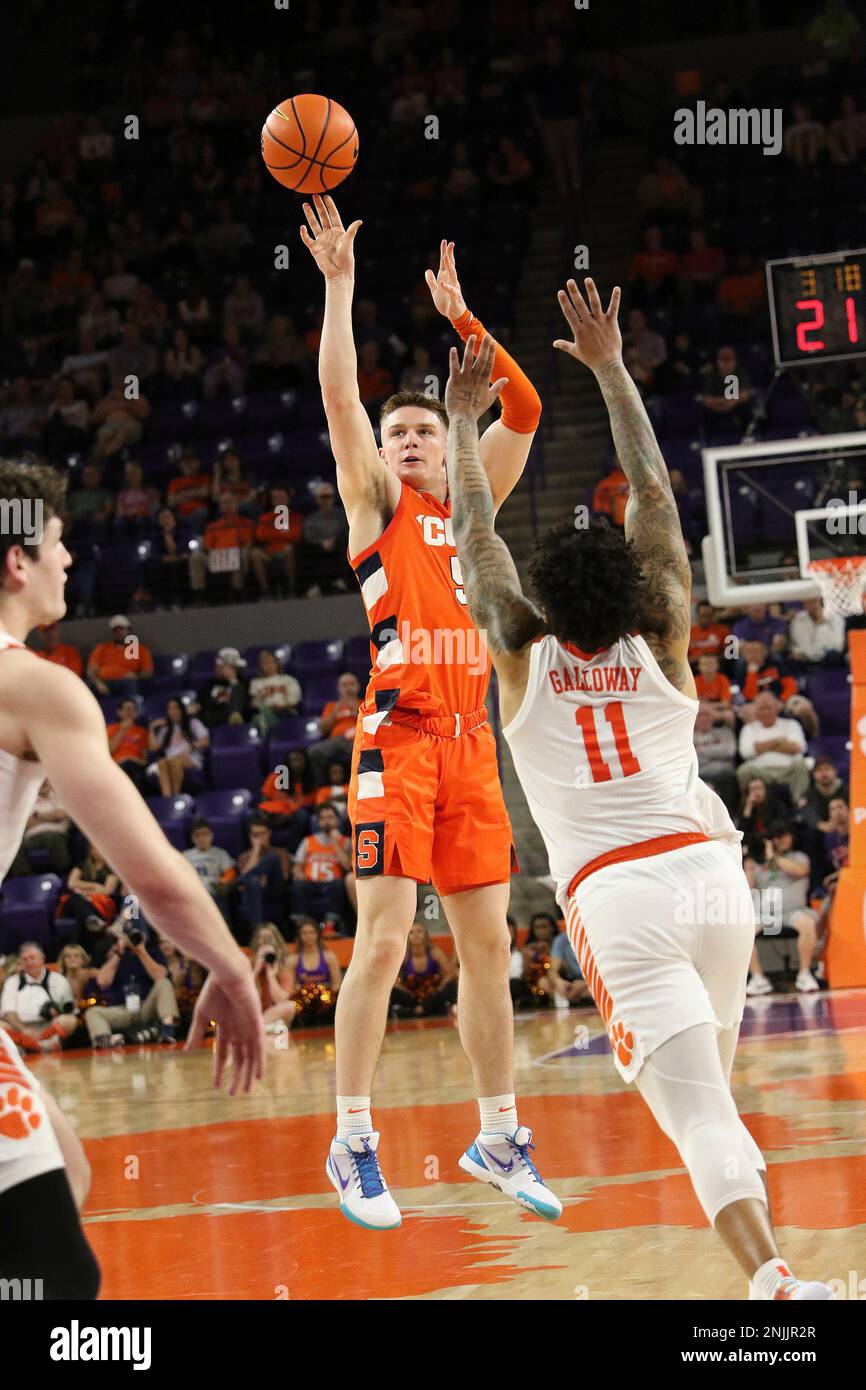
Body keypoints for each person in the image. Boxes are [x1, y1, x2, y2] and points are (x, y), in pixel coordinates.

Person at [446, 283, 833, 1298]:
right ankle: (784, 1272)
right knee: (715, 1098)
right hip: (711, 885)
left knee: (698, 1114)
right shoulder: (662, 632)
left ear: (537, 596)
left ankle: (776, 1287)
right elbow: (654, 498)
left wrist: (457, 421)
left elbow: (471, 535)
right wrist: (610, 366)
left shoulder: (518, 653)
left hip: (618, 901)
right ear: (626, 587)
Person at [300, 197, 556, 1231]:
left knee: (487, 947)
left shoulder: (475, 496)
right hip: (394, 743)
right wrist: (339, 288)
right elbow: (334, 397)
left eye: (419, 428)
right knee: (383, 939)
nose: (404, 440)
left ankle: (497, 1132)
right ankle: (351, 1139)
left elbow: (527, 409)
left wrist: (467, 326)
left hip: (471, 752)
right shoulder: (376, 502)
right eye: (394, 430)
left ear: (445, 443)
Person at [744, 826, 820, 996]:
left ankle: (804, 975)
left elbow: (800, 871)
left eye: (786, 835)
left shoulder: (798, 857)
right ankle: (758, 979)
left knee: (808, 924)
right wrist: (748, 866)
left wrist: (772, 857)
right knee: (742, 930)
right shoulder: (757, 863)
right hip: (766, 914)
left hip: (794, 912)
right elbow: (747, 890)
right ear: (772, 841)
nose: (783, 840)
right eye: (778, 837)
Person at [83, 915, 180, 1045]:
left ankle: (167, 1031)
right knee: (93, 1012)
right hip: (124, 1010)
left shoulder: (153, 952)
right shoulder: (116, 955)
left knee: (164, 983)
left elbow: (160, 977)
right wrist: (119, 951)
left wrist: (140, 950)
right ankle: (104, 1039)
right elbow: (102, 981)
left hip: (147, 1006)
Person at [0, 941, 80, 1054]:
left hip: (48, 1028)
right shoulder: (12, 981)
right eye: (25, 959)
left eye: (32, 958)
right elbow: (9, 1013)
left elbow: (69, 1010)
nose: (29, 963)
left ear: (42, 958)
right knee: (1, 1027)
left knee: (69, 1021)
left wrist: (57, 1011)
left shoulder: (58, 980)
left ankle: (40, 1044)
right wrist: (24, 1030)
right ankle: (36, 1046)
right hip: (20, 1029)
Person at [736, 692, 811, 806]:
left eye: (769, 708)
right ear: (756, 711)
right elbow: (746, 752)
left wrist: (760, 746)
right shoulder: (749, 729)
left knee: (801, 765)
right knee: (744, 770)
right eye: (762, 708)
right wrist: (778, 742)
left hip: (788, 770)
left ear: (777, 708)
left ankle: (800, 805)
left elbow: (799, 748)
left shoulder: (791, 724)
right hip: (761, 772)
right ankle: (748, 805)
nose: (766, 712)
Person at [291, 802, 356, 929]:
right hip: (311, 883)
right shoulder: (308, 841)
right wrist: (299, 874)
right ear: (318, 822)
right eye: (324, 818)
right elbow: (297, 866)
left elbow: (347, 867)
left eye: (331, 817)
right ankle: (301, 926)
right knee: (297, 887)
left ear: (338, 820)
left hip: (332, 884)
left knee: (337, 885)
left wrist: (335, 843)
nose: (327, 821)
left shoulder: (346, 842)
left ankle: (329, 927)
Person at [281, 917, 343, 1027]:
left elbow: (337, 985)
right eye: (304, 933)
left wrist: (322, 993)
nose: (308, 936)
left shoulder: (329, 957)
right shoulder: (293, 959)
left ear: (317, 935)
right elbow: (290, 987)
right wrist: (305, 993)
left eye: (311, 932)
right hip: (303, 1003)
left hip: (327, 1000)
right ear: (299, 936)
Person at [390, 922, 457, 1017]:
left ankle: (423, 1009)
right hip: (411, 996)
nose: (416, 935)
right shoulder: (403, 955)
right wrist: (406, 991)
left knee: (452, 986)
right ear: (407, 936)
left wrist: (440, 988)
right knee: (391, 990)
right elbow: (393, 979)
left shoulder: (435, 952)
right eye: (412, 932)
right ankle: (417, 1009)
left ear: (425, 934)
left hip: (433, 994)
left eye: (419, 931)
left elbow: (450, 974)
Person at [7, 777, 71, 876]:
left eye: (46, 781)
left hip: (55, 835)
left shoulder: (59, 796)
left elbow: (60, 815)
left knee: (54, 840)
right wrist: (50, 816)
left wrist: (36, 816)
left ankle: (64, 877)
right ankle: (26, 880)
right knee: (14, 848)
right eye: (41, 781)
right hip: (32, 838)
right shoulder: (28, 800)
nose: (44, 784)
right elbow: (24, 823)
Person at [147, 696, 209, 796]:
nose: (173, 711)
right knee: (162, 762)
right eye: (170, 708)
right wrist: (151, 728)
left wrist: (192, 746)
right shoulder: (165, 730)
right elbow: (154, 747)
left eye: (176, 708)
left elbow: (205, 741)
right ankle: (167, 797)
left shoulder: (193, 723)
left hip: (190, 758)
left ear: (182, 710)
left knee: (174, 760)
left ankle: (176, 796)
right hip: (170, 760)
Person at [307, 671, 360, 783]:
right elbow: (323, 730)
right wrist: (336, 709)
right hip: (336, 740)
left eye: (351, 684)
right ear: (339, 688)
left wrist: (355, 709)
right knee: (314, 752)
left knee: (362, 753)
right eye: (344, 685)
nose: (348, 688)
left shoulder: (365, 703)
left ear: (358, 686)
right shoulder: (331, 706)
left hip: (357, 740)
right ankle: (324, 788)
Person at [183, 819, 236, 927]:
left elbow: (230, 872)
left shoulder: (220, 853)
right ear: (192, 838)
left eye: (204, 834)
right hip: (193, 893)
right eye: (197, 835)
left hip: (214, 892)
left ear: (211, 835)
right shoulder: (186, 855)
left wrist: (223, 881)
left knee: (221, 894)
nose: (201, 838)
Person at [86, 615, 153, 696]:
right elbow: (91, 670)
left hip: (126, 682)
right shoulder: (101, 648)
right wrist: (98, 683)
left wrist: (136, 677)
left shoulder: (141, 650)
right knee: (86, 687)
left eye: (122, 630)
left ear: (128, 630)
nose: (119, 633)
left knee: (131, 684)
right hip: (103, 682)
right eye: (116, 631)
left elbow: (147, 672)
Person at [248, 649, 301, 735]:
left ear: (277, 664)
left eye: (271, 662)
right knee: (258, 716)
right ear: (261, 666)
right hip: (264, 712)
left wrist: (283, 705)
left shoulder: (288, 680)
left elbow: (294, 699)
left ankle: (271, 737)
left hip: (285, 711)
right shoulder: (256, 683)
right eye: (265, 663)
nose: (269, 666)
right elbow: (254, 703)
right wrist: (265, 702)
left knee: (263, 720)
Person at [106, 696, 148, 789]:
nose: (130, 712)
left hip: (134, 765)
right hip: (115, 765)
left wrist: (131, 759)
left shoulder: (142, 731)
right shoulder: (110, 729)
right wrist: (122, 730)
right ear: (119, 712)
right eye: (127, 709)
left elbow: (145, 760)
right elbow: (109, 751)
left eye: (133, 710)